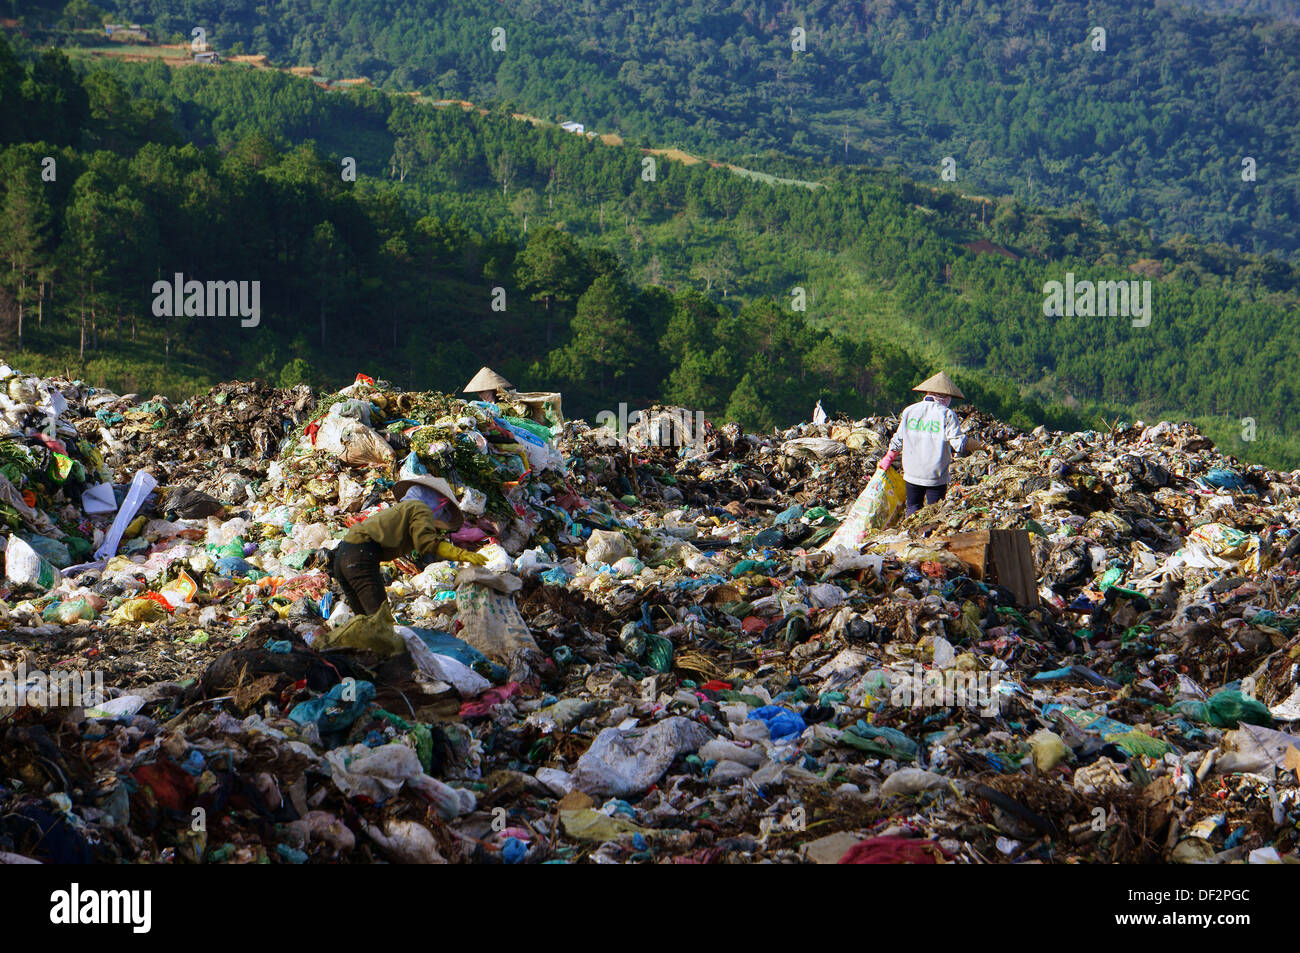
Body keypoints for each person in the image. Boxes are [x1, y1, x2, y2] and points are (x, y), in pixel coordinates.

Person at [331, 475, 486, 616]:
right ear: (437, 503)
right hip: (360, 556)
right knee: (380, 620)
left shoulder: (405, 510)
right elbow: (426, 542)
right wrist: (461, 554)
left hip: (343, 557)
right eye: (443, 511)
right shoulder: (420, 508)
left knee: (365, 620)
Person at [877, 371, 984, 516]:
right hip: (935, 475)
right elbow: (959, 443)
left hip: (912, 471)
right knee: (934, 513)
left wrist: (888, 458)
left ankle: (911, 535)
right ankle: (927, 536)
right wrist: (983, 446)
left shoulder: (910, 411)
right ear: (945, 397)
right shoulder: (946, 414)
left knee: (913, 507)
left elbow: (898, 440)